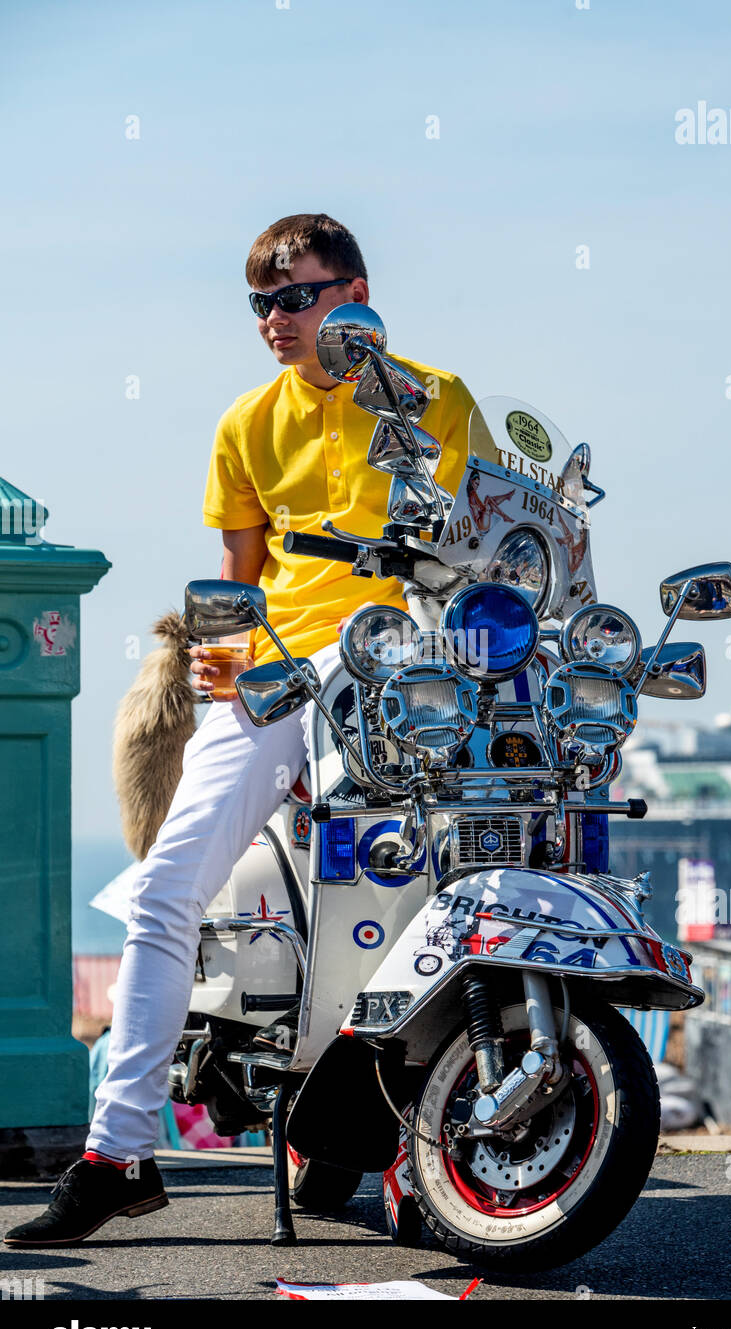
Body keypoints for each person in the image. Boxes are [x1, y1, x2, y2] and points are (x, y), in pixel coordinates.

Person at [5, 213, 475, 1247]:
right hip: (278, 671)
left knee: (416, 888)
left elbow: (484, 544)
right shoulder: (244, 424)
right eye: (262, 301)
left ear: (354, 292)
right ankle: (118, 1154)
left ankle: (410, 1140)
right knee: (169, 885)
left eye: (295, 295)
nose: (275, 318)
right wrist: (224, 655)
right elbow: (241, 574)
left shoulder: (441, 399)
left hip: (404, 667)